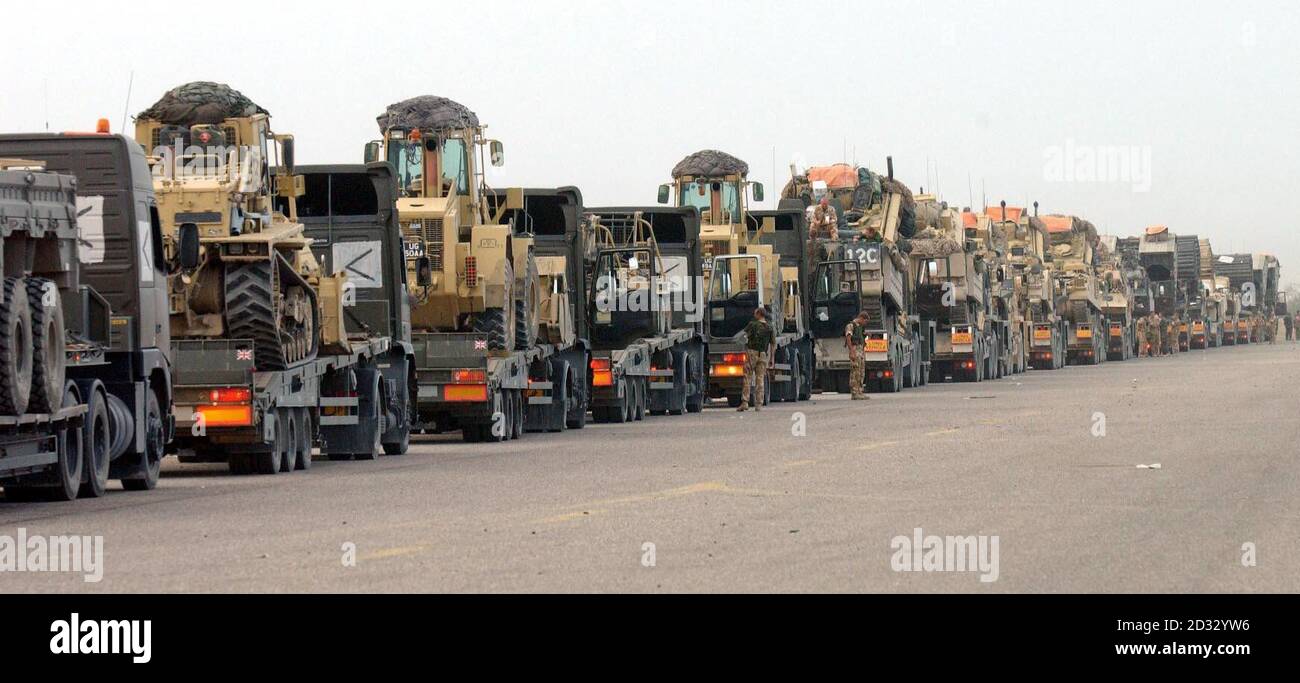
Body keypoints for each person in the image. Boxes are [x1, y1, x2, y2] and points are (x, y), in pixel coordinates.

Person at [738, 307, 775, 412]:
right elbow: (773, 344)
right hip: (763, 354)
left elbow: (743, 336)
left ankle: (745, 402)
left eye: (755, 313)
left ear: (759, 314)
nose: (754, 314)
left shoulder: (752, 325)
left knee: (747, 377)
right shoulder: (769, 327)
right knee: (760, 380)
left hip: (752, 353)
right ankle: (758, 404)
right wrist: (772, 358)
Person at [845, 311, 871, 400]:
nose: (865, 323)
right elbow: (848, 338)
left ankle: (860, 391)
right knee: (855, 372)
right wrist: (851, 351)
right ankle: (854, 392)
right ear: (861, 318)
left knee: (861, 372)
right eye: (865, 321)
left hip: (861, 351)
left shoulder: (860, 328)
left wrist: (865, 335)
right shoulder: (851, 325)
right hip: (855, 350)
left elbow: (860, 337)